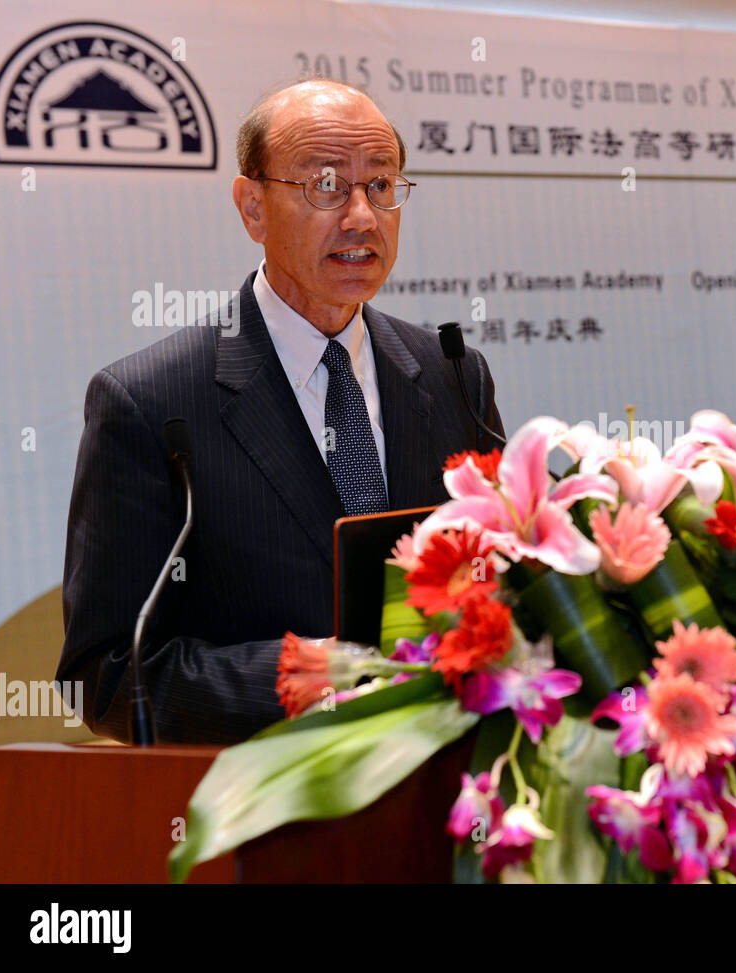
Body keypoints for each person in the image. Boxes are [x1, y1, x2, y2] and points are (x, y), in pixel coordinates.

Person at [58, 79, 503, 744]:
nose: (361, 215)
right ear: (252, 207)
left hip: (440, 796)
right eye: (326, 185)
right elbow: (107, 673)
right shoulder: (151, 402)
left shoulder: (450, 373)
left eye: (381, 186)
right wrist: (306, 673)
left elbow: (493, 577)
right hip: (269, 816)